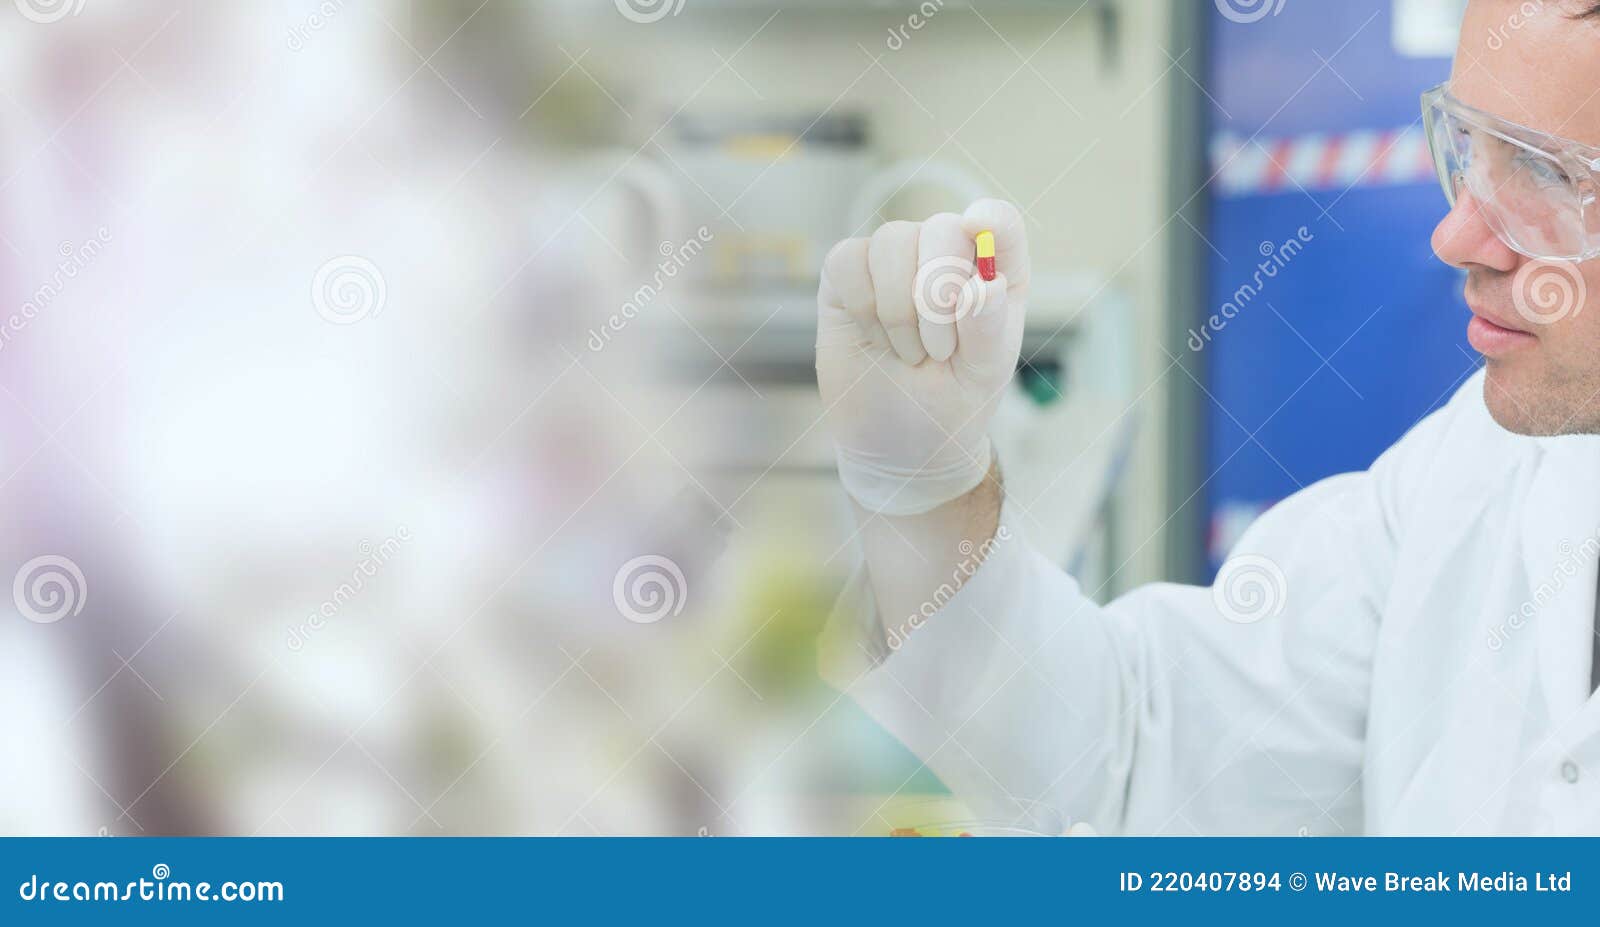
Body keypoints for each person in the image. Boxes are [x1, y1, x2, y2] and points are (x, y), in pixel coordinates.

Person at [813, 0, 1600, 835]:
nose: (1457, 234)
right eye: (1471, 150)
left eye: (1548, 174)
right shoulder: (1483, 475)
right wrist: (929, 492)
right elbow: (1131, 760)